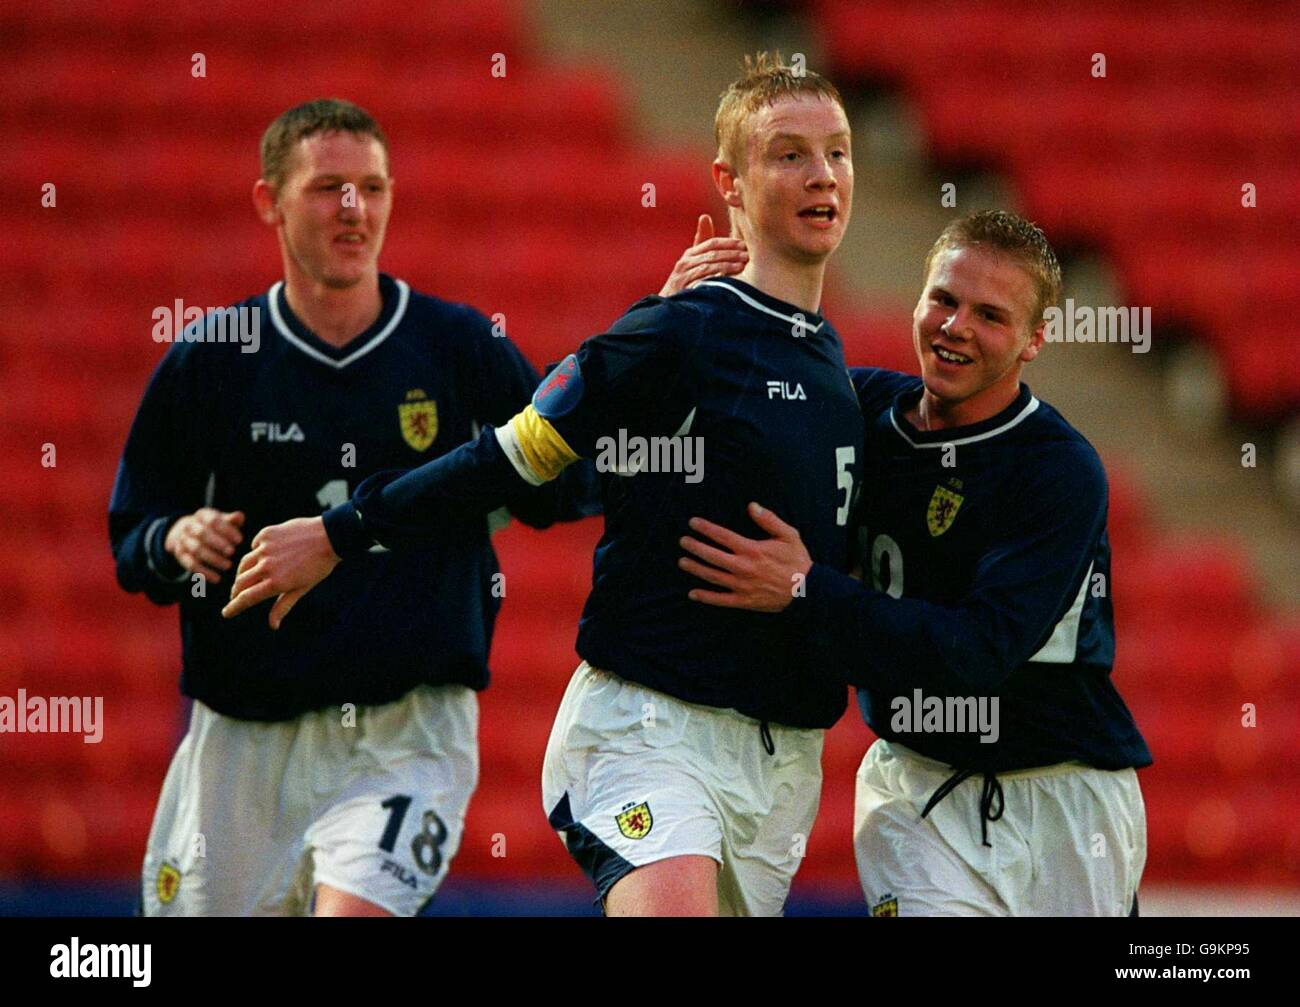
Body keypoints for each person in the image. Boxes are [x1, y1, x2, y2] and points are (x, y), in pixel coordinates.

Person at [224, 54, 865, 917]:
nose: (821, 174)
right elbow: (508, 457)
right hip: (650, 734)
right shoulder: (673, 336)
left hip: (782, 763)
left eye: (837, 151)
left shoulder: (835, 370)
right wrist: (339, 534)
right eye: (788, 153)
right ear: (730, 182)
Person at [109, 98, 726, 917]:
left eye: (371, 186)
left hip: (405, 734)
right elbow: (133, 534)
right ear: (270, 202)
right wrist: (171, 538)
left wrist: (649, 344)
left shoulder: (457, 347)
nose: (354, 208)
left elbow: (564, 475)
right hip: (244, 736)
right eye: (328, 187)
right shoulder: (211, 361)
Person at [678, 210, 1152, 916]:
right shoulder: (859, 409)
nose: (956, 326)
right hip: (915, 792)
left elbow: (976, 652)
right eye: (944, 299)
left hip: (1064, 796)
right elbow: (730, 409)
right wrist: (681, 314)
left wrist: (807, 591)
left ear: (1034, 339)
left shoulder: (1059, 470)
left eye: (990, 315)